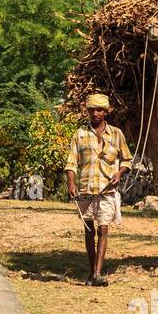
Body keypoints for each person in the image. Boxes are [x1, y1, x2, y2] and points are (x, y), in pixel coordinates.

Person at [64, 93, 133, 286]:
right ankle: (91, 269)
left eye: (99, 110)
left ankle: (97, 273)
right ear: (87, 111)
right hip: (86, 189)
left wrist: (119, 173)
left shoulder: (117, 134)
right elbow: (72, 161)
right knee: (88, 230)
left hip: (107, 190)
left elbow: (127, 160)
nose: (95, 113)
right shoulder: (79, 134)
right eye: (92, 110)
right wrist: (71, 181)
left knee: (103, 228)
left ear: (106, 112)